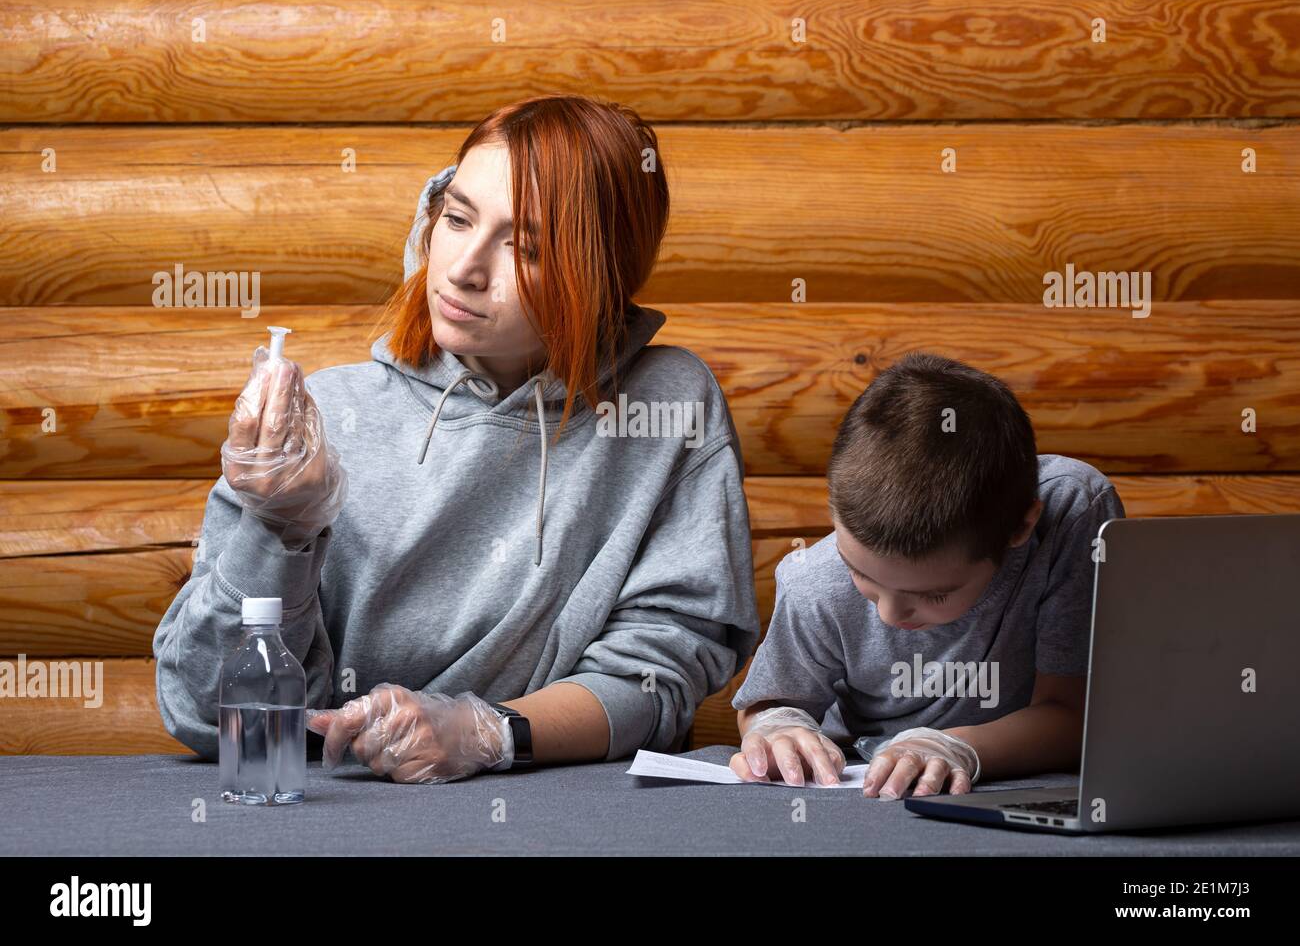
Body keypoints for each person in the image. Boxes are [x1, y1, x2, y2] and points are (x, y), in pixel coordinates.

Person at [153, 95, 760, 783]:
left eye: (525, 247)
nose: (465, 268)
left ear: (602, 274)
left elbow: (662, 671)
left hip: (561, 816)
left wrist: (488, 734)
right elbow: (204, 714)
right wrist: (279, 530)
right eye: (458, 217)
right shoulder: (324, 414)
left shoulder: (666, 404)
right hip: (327, 818)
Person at [729, 353, 1124, 798]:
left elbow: (1076, 715)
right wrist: (776, 728)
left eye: (934, 594)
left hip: (1019, 787)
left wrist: (957, 746)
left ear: (1021, 528)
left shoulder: (1073, 513)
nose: (890, 613)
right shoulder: (815, 582)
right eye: (860, 572)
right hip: (865, 788)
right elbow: (768, 704)